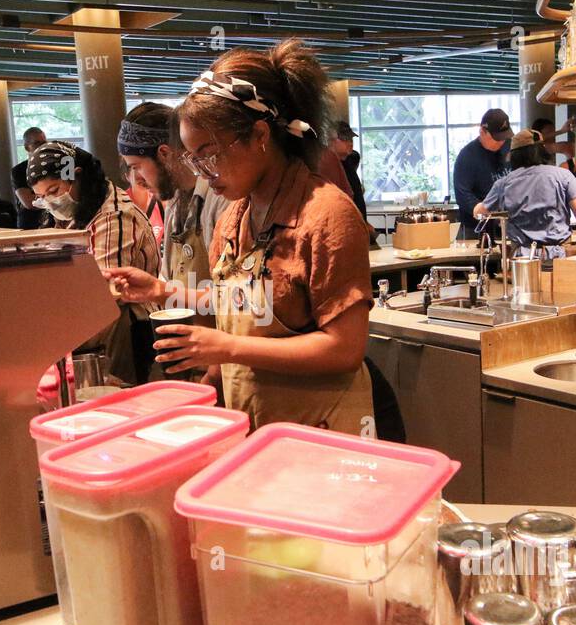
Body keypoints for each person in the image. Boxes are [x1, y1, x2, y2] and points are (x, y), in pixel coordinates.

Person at [103, 40, 376, 435]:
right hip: (260, 426)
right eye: (193, 158)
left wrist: (226, 348)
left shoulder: (326, 215)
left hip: (325, 431)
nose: (201, 170)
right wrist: (161, 293)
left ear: (259, 135)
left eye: (208, 154)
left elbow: (343, 348)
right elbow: (239, 305)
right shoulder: (235, 217)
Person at [28, 140, 161, 385]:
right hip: (95, 328)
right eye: (41, 198)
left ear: (77, 176)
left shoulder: (114, 215)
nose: (50, 202)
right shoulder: (77, 213)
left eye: (54, 191)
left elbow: (104, 293)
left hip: (129, 330)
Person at [117, 102, 228, 289]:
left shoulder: (219, 198)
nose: (137, 181)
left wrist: (158, 291)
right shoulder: (176, 202)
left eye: (137, 167)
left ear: (164, 153)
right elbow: (169, 278)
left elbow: (235, 297)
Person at [474, 129, 576, 258]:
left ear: (514, 156)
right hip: (560, 257)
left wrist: (478, 203)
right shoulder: (563, 175)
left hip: (522, 260)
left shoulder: (504, 184)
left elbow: (479, 213)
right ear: (542, 150)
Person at [452, 108, 512, 239]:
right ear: (482, 132)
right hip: (475, 228)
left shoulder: (511, 147)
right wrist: (482, 209)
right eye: (497, 138)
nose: (501, 142)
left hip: (509, 225)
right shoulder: (467, 156)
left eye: (504, 137)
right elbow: (462, 194)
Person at [12, 127, 53, 230]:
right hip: (30, 225)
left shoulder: (53, 166)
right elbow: (29, 202)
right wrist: (54, 196)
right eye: (37, 143)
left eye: (45, 143)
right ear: (27, 147)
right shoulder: (19, 170)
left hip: (53, 224)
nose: (43, 147)